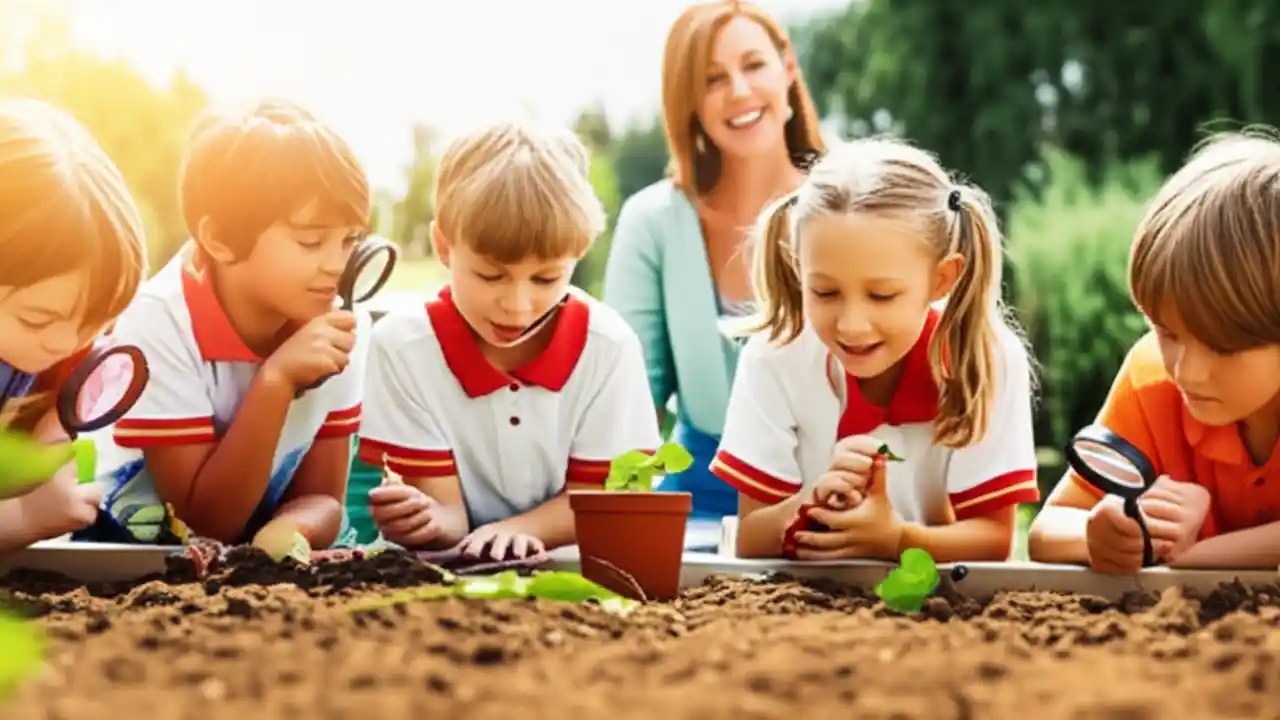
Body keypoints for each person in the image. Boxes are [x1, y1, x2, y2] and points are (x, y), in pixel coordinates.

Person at [713, 136, 1040, 561]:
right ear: (798, 268)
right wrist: (810, 501)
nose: (852, 325)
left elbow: (993, 540)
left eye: (882, 296)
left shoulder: (986, 358)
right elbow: (750, 538)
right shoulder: (775, 356)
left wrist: (896, 539)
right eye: (825, 292)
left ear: (941, 279)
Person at [357, 120, 660, 562]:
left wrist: (518, 530)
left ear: (577, 255)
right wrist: (427, 520)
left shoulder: (608, 347)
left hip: (573, 575)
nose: (517, 306)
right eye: (490, 275)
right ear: (443, 245)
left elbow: (606, 501)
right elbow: (449, 518)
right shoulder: (404, 348)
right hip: (444, 576)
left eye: (546, 278)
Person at [84, 97, 372, 549]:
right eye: (311, 241)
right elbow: (204, 523)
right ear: (218, 238)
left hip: (255, 556)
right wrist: (276, 380)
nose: (337, 264)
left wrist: (291, 531)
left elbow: (322, 498)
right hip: (144, 555)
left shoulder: (338, 322)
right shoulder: (158, 323)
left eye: (350, 239)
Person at [602, 0, 825, 519]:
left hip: (833, 492)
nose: (740, 91)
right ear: (689, 102)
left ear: (788, 68)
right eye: (713, 79)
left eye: (754, 65)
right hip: (697, 499)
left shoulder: (853, 205)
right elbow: (631, 402)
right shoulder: (652, 221)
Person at [1029, 132, 1280, 573]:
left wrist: (1193, 554)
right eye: (1167, 332)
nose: (1187, 371)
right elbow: (1048, 529)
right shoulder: (1151, 379)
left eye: (1223, 347)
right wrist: (1109, 534)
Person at [0, 98, 146, 552]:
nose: (64, 343)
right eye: (36, 319)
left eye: (96, 322)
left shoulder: (59, 356)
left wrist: (46, 450)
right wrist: (23, 518)